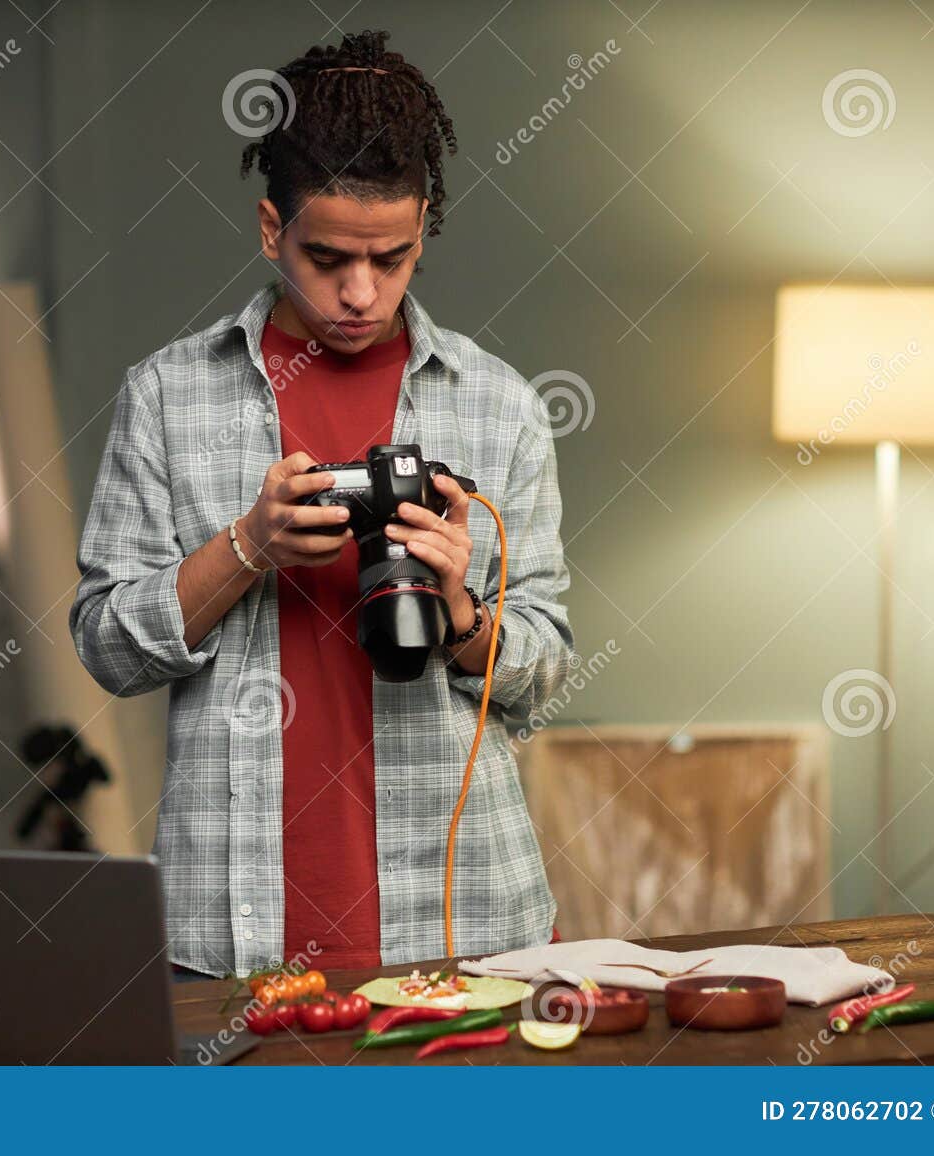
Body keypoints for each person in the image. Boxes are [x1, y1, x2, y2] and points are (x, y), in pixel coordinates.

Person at [71, 29, 573, 981]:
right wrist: (246, 548)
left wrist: (464, 612)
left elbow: (541, 677)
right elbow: (105, 646)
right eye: (329, 255)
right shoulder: (170, 396)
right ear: (272, 231)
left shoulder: (498, 401)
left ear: (423, 231)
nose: (360, 292)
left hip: (464, 924)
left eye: (393, 258)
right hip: (231, 936)